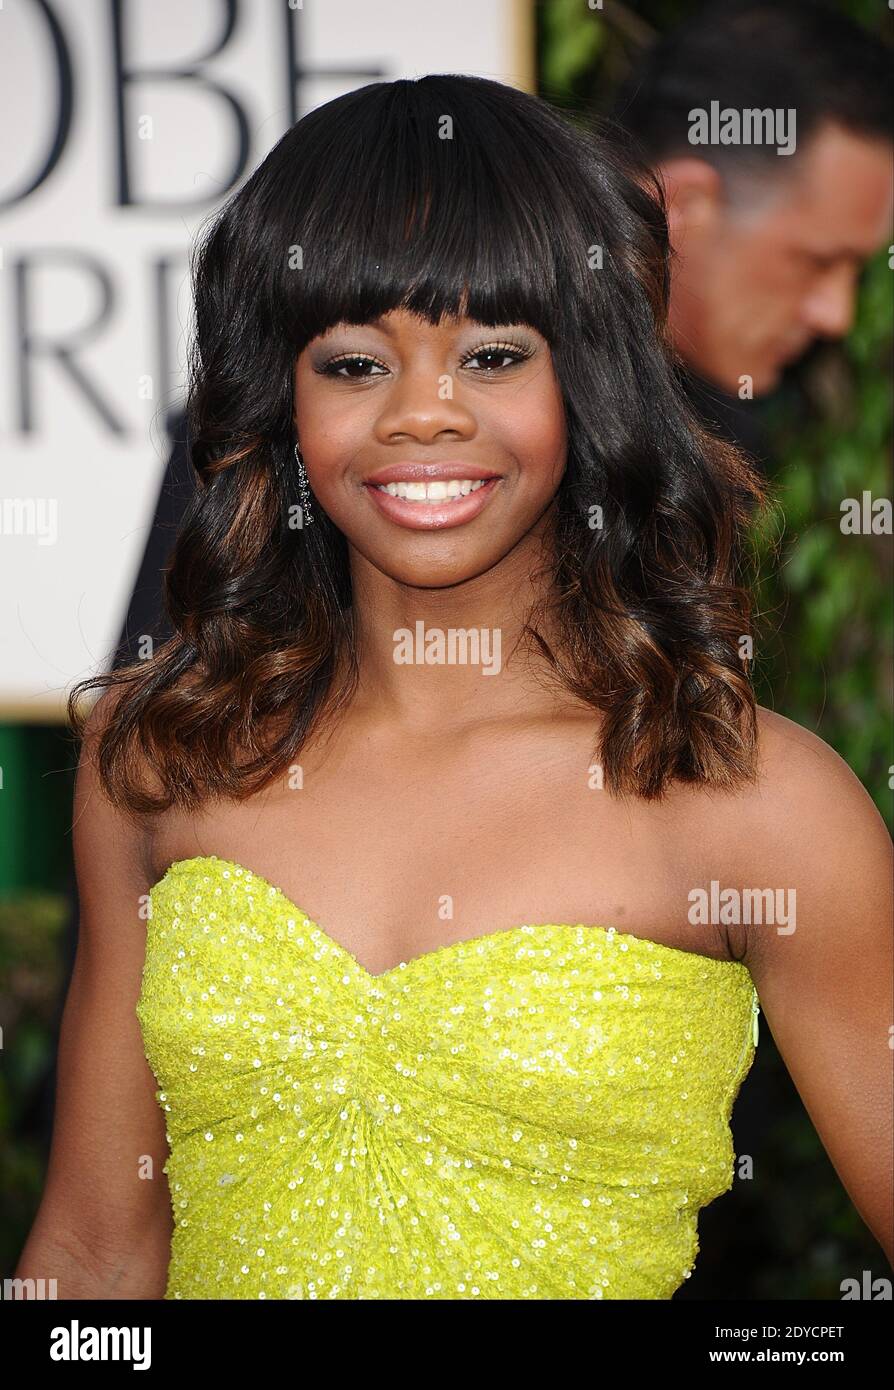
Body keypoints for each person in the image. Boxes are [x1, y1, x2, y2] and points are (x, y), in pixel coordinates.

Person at [17, 73, 891, 1300]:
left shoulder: (753, 797)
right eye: (355, 362)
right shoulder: (162, 749)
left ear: (587, 382)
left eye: (491, 353)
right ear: (283, 404)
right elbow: (96, 1255)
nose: (423, 415)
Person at [609, 0, 893, 461]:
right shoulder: (526, 417)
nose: (836, 316)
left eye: (854, 270)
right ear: (678, 210)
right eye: (815, 262)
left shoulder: (706, 423)